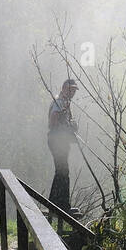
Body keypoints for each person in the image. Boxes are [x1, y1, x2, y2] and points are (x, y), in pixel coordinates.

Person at [47, 78, 78, 211]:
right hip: (57, 140)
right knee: (63, 171)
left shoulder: (65, 102)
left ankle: (55, 204)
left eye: (74, 90)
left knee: (61, 171)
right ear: (64, 89)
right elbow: (53, 119)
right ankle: (61, 206)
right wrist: (65, 128)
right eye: (70, 89)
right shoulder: (59, 102)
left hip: (60, 141)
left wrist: (71, 127)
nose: (72, 92)